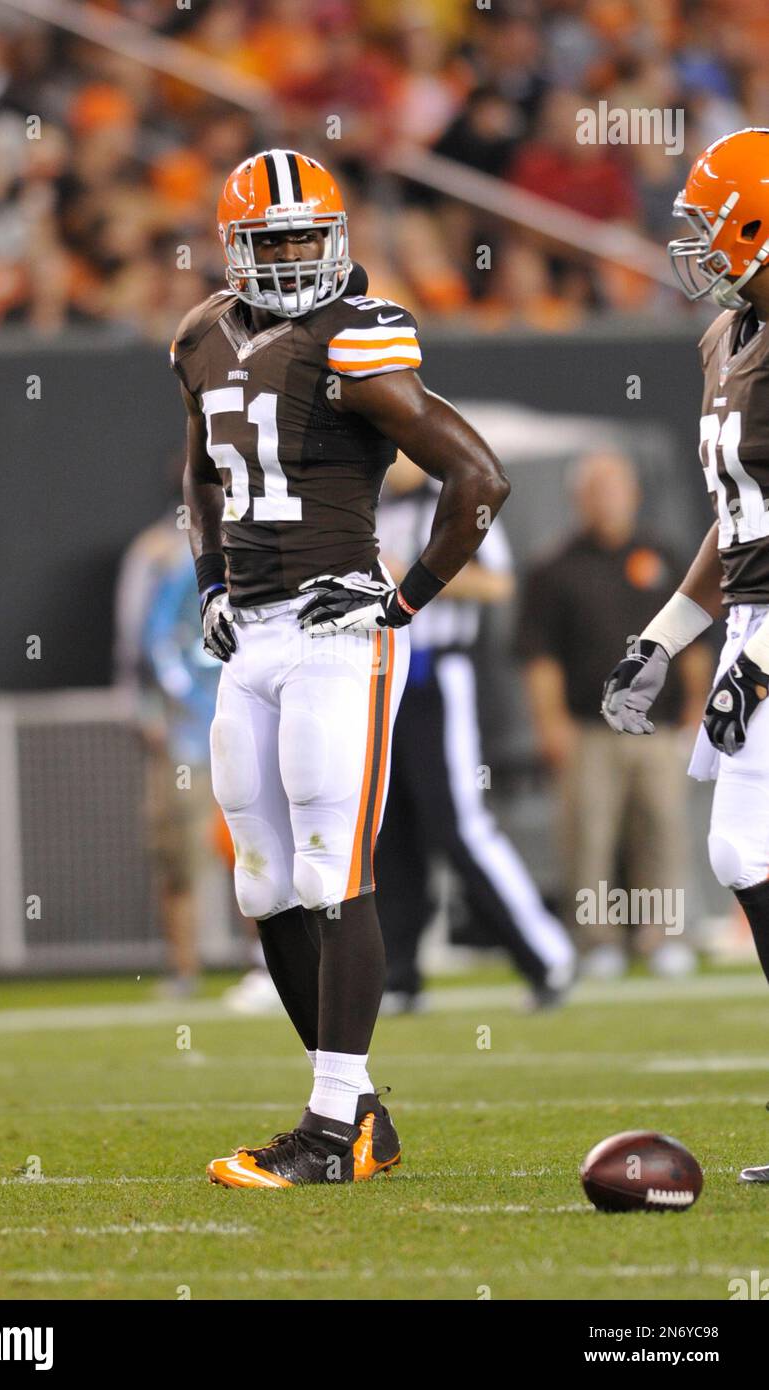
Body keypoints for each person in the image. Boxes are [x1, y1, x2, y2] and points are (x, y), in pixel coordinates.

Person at [172, 148, 509, 1187]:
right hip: (254, 633)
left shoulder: (360, 333)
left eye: (304, 239)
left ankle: (329, 1129)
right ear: (236, 248)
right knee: (263, 877)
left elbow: (477, 476)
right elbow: (199, 467)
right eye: (269, 242)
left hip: (336, 634)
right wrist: (212, 582)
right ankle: (357, 1113)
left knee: (330, 867)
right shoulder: (199, 337)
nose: (288, 258)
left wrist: (400, 601)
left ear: (337, 239)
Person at [601, 128, 769, 1183]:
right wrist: (663, 636)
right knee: (742, 854)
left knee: (742, 852)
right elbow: (736, 517)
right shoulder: (721, 338)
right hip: (754, 611)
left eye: (715, 229)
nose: (699, 250)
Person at [375, 454, 575, 1012]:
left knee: (457, 824)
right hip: (381, 680)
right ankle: (399, 973)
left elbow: (496, 585)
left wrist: (413, 573)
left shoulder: (458, 498)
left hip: (440, 675)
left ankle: (545, 955)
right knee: (390, 831)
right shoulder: (369, 502)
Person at [518, 449, 711, 978]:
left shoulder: (664, 555)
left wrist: (696, 710)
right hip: (589, 727)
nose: (606, 499)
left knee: (664, 831)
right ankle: (596, 940)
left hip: (657, 725)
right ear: (577, 499)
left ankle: (664, 936)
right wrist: (550, 724)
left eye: (615, 487)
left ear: (635, 494)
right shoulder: (554, 568)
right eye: (595, 489)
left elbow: (693, 641)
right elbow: (539, 658)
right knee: (589, 836)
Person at [114, 505, 220, 995]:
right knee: (177, 854)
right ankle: (184, 970)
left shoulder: (267, 539)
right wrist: (149, 710)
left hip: (251, 721)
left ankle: (268, 967)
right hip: (185, 730)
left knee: (261, 849)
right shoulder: (157, 552)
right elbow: (141, 640)